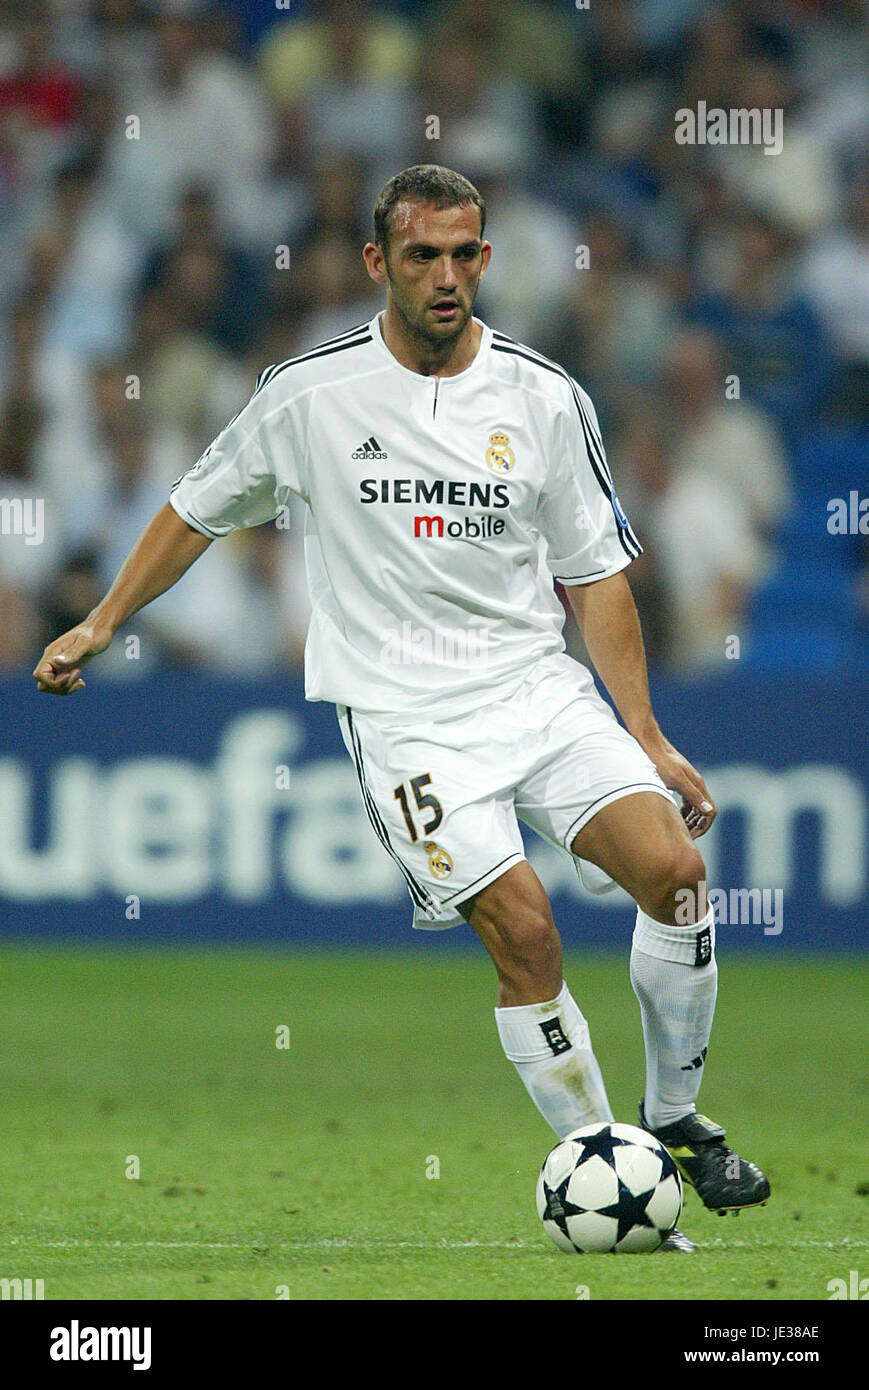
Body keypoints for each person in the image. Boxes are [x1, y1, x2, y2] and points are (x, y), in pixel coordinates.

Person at [33, 164, 769, 1250]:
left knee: (674, 872)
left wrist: (645, 734)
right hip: (403, 719)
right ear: (377, 262)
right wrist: (103, 620)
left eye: (463, 253)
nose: (444, 275)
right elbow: (195, 507)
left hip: (534, 687)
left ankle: (672, 1119)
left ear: (485, 258)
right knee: (525, 931)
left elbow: (595, 574)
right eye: (420, 254)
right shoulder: (308, 394)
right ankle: (610, 1169)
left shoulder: (543, 397)